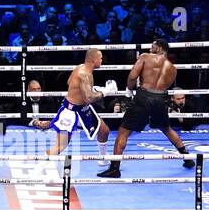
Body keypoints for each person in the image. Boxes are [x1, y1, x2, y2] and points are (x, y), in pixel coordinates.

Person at [99, 39, 194, 178]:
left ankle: (114, 168)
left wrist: (129, 92)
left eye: (152, 47)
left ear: (160, 48)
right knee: (166, 129)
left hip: (143, 97)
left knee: (123, 132)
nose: (150, 49)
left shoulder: (145, 57)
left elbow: (132, 76)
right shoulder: (173, 69)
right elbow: (165, 86)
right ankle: (187, 158)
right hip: (161, 99)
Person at [34, 48, 111, 158]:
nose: (102, 60)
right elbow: (89, 98)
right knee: (61, 146)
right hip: (71, 112)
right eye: (101, 58)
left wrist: (88, 89)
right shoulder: (85, 74)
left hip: (83, 109)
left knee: (104, 130)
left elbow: (69, 81)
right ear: (94, 60)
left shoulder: (80, 67)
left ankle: (103, 159)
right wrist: (104, 92)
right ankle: (39, 164)